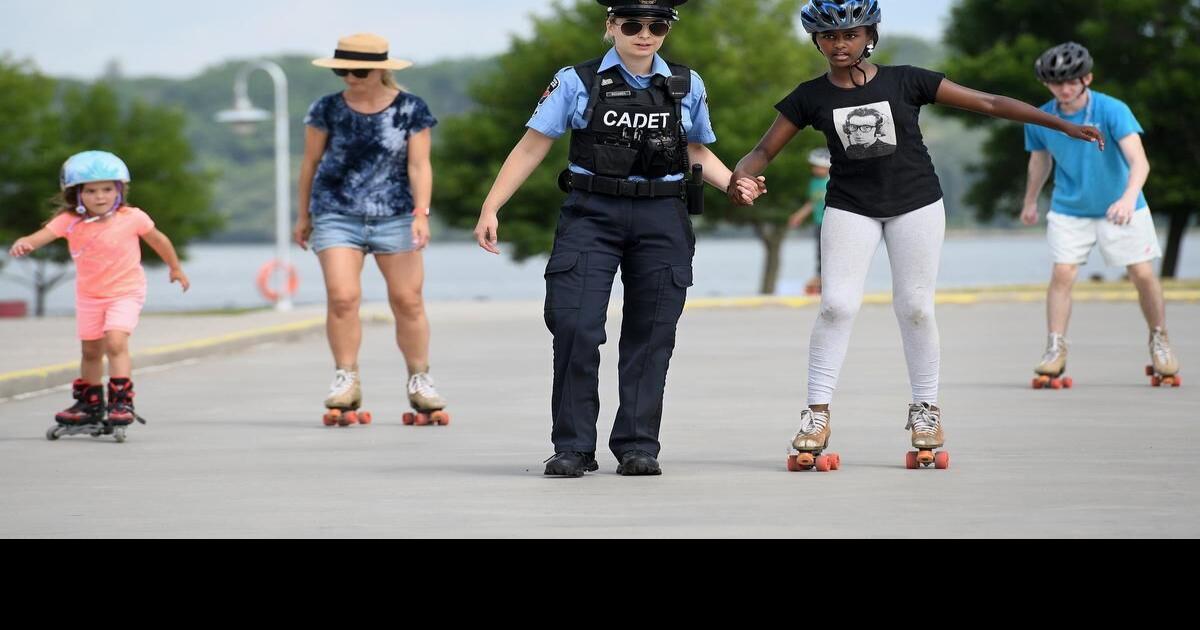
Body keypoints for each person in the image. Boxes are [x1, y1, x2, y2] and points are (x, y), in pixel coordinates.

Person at [727, 0, 1104, 470]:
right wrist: (739, 178)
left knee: (915, 308)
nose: (839, 44)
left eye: (850, 34)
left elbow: (988, 102)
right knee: (836, 305)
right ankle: (816, 413)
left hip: (917, 204)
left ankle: (926, 410)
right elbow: (762, 150)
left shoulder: (906, 80)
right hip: (850, 207)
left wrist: (1062, 125)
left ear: (870, 36)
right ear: (817, 41)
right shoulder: (809, 96)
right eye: (828, 36)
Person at [473, 0, 765, 477]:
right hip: (592, 213)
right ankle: (573, 446)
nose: (644, 34)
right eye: (632, 24)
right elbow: (533, 143)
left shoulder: (687, 84)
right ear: (610, 27)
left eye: (656, 25)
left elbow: (695, 149)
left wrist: (735, 181)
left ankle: (637, 444)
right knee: (575, 324)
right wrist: (491, 206)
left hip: (662, 216)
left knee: (651, 333)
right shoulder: (576, 80)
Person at [295, 33, 449, 427]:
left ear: (381, 69)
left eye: (358, 70)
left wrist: (421, 213)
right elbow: (311, 164)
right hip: (335, 213)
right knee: (343, 297)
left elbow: (420, 166)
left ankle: (420, 379)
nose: (349, 77)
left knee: (407, 300)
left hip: (396, 214)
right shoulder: (326, 109)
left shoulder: (411, 109)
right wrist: (302, 216)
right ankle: (346, 377)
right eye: (342, 69)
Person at [1020, 42, 1180, 389]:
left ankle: (1159, 340)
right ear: (1046, 84)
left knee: (1141, 273)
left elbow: (1139, 161)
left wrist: (1127, 197)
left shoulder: (1112, 110)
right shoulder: (1041, 117)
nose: (1064, 88)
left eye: (1072, 80)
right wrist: (1031, 200)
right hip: (1069, 208)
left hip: (1122, 207)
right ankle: (1055, 348)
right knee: (1062, 274)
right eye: (1056, 82)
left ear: (1087, 78)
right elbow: (1040, 160)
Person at [8, 151, 190, 440]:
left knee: (116, 341)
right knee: (91, 350)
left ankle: (121, 401)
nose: (100, 196)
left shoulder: (133, 217)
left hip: (126, 292)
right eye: (91, 191)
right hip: (90, 296)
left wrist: (175, 268)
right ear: (76, 194)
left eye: (107, 189)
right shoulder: (69, 221)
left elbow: (159, 240)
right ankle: (90, 405)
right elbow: (41, 236)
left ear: (119, 190)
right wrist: (25, 243)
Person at [787, 148, 832, 295]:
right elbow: (812, 203)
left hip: (831, 223)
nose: (815, 169)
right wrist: (798, 215)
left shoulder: (831, 181)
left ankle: (829, 280)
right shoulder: (814, 182)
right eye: (814, 166)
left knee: (830, 252)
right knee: (820, 252)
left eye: (819, 167)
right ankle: (821, 279)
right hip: (819, 222)